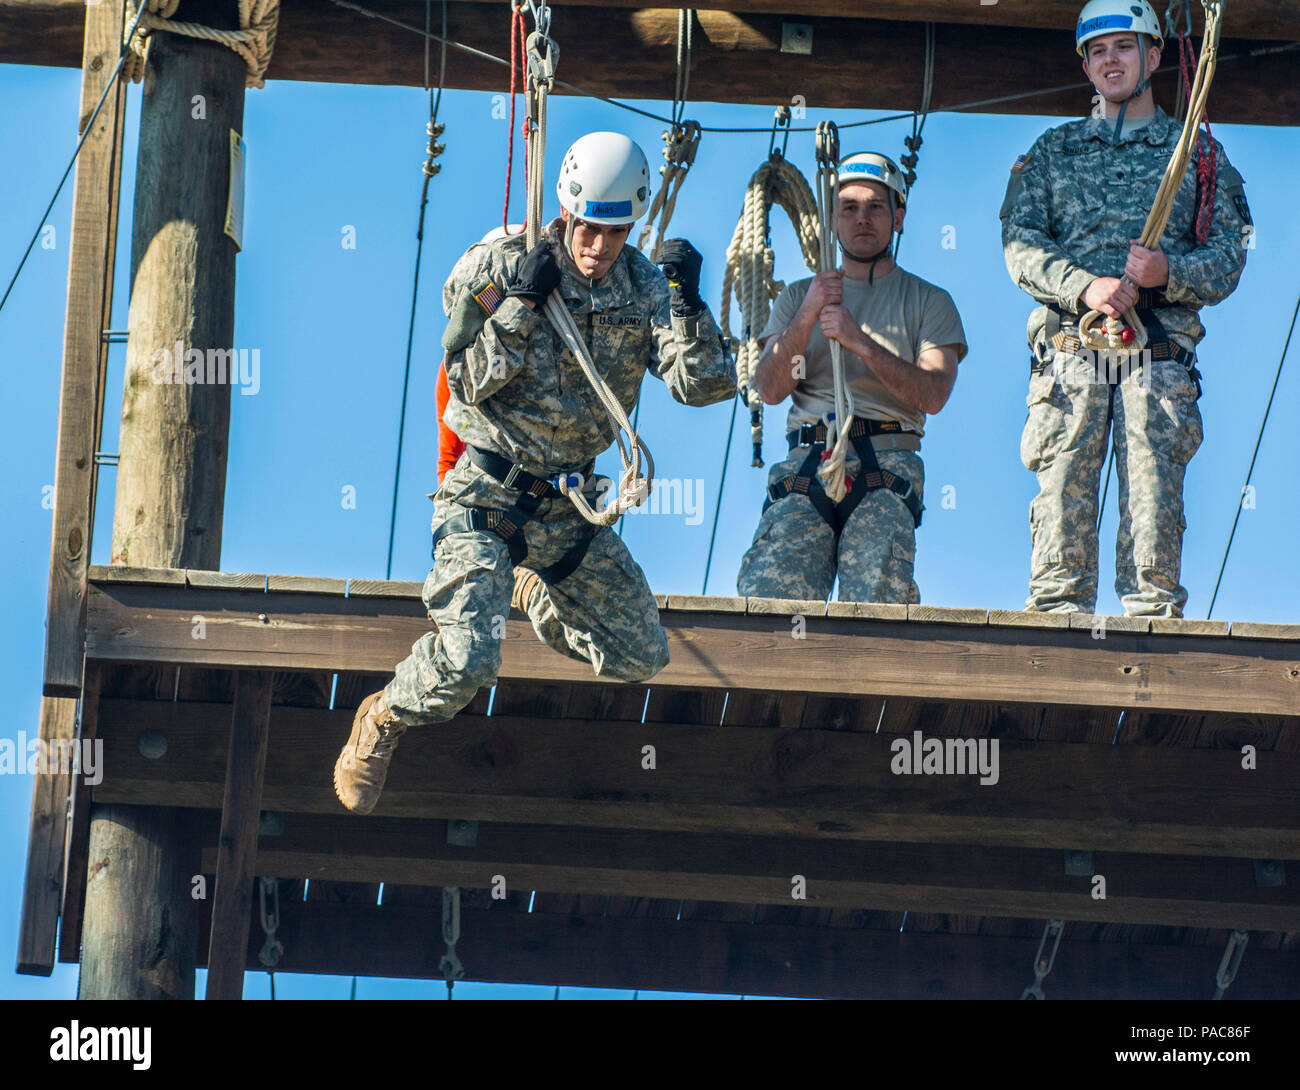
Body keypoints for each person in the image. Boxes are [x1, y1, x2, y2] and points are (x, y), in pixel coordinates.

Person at [334, 131, 735, 814]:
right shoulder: (499, 264)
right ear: (566, 212)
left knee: (641, 653)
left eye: (615, 232)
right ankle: (384, 717)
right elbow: (466, 378)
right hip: (485, 493)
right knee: (469, 661)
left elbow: (705, 386)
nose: (599, 247)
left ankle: (530, 589)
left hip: (569, 507)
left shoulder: (642, 287)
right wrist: (517, 306)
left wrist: (690, 306)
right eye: (588, 229)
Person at [1001, 0, 1250, 616]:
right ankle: (1055, 628)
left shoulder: (1196, 154)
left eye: (1124, 46)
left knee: (1153, 491)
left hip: (1156, 350)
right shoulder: (1052, 153)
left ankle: (1153, 624)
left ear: (1154, 57)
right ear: (1086, 66)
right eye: (1098, 51)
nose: (1111, 61)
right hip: (1073, 348)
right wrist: (1085, 287)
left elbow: (1231, 251)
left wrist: (1171, 272)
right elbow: (1020, 243)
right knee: (1061, 490)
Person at [736, 151, 967, 604]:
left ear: (898, 217)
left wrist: (859, 341)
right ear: (833, 220)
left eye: (876, 207)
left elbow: (934, 393)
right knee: (768, 603)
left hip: (886, 464)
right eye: (849, 208)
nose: (863, 218)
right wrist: (808, 313)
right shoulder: (798, 297)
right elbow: (769, 388)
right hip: (809, 462)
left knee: (876, 607)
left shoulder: (928, 302)